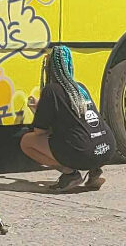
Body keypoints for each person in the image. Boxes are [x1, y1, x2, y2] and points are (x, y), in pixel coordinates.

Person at [20, 46, 115, 191]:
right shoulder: (80, 88)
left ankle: (70, 174)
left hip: (85, 151)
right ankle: (94, 172)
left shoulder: (51, 90)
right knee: (85, 134)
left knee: (27, 142)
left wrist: (40, 111)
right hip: (107, 148)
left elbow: (40, 131)